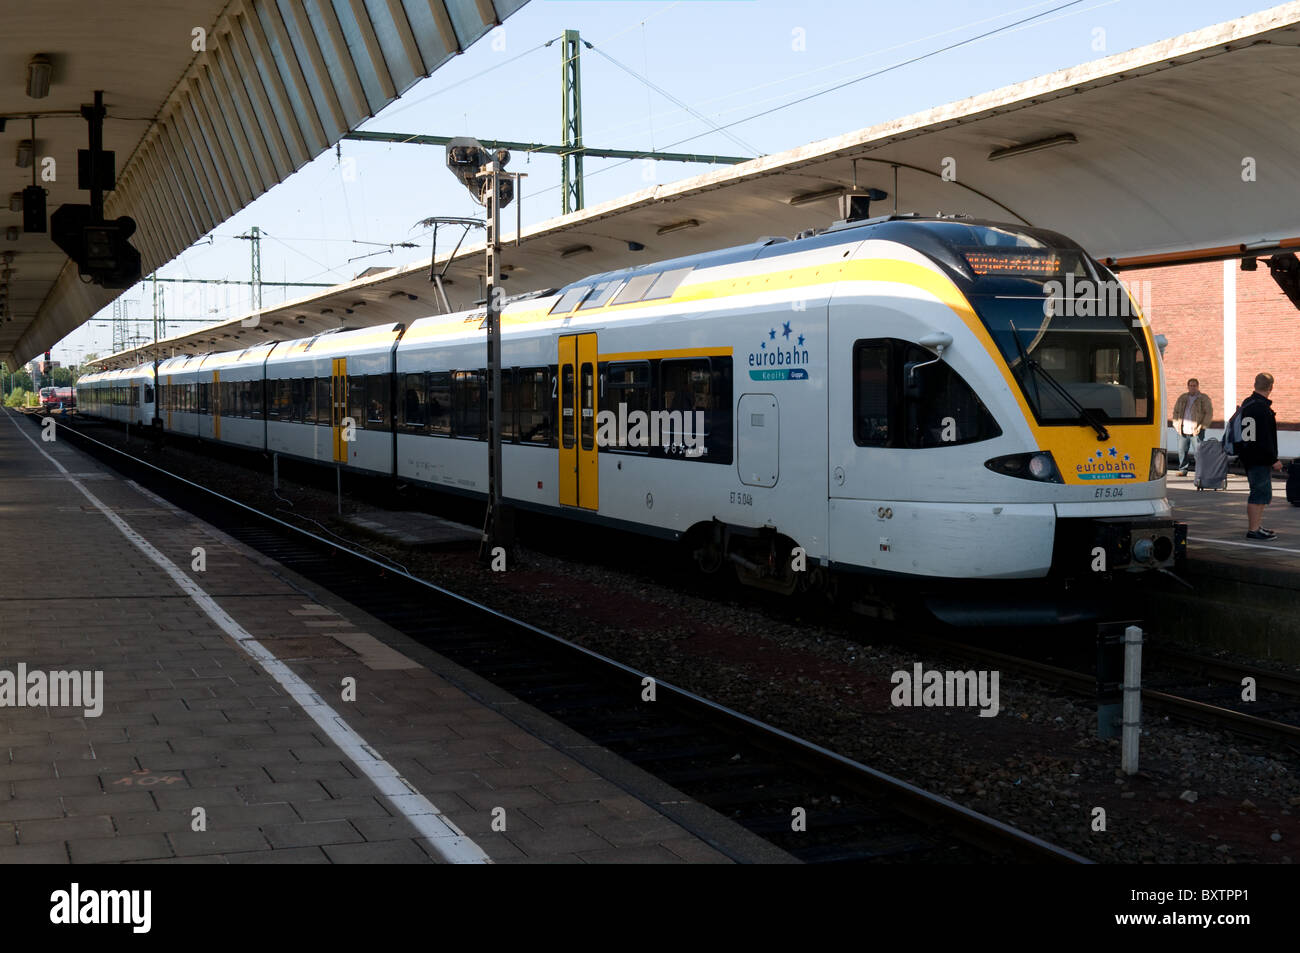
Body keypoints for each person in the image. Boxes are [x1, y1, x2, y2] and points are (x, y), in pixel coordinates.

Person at [1238, 372, 1281, 540]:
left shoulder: (1248, 403)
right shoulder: (1262, 409)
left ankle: (1256, 526)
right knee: (1259, 493)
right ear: (1271, 387)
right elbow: (1264, 439)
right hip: (1259, 458)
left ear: (1255, 384)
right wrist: (1274, 460)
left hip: (1248, 454)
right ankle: (1253, 529)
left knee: (1259, 492)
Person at [1171, 378, 1213, 475]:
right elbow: (1176, 411)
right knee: (1182, 451)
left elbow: (1208, 414)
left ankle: (1201, 471)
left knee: (1199, 453)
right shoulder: (1182, 397)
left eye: (1194, 385)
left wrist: (1202, 426)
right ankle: (1183, 470)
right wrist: (1176, 424)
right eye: (1191, 385)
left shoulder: (1204, 398)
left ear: (1198, 387)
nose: (1192, 387)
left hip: (1196, 430)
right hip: (1182, 429)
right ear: (1188, 387)